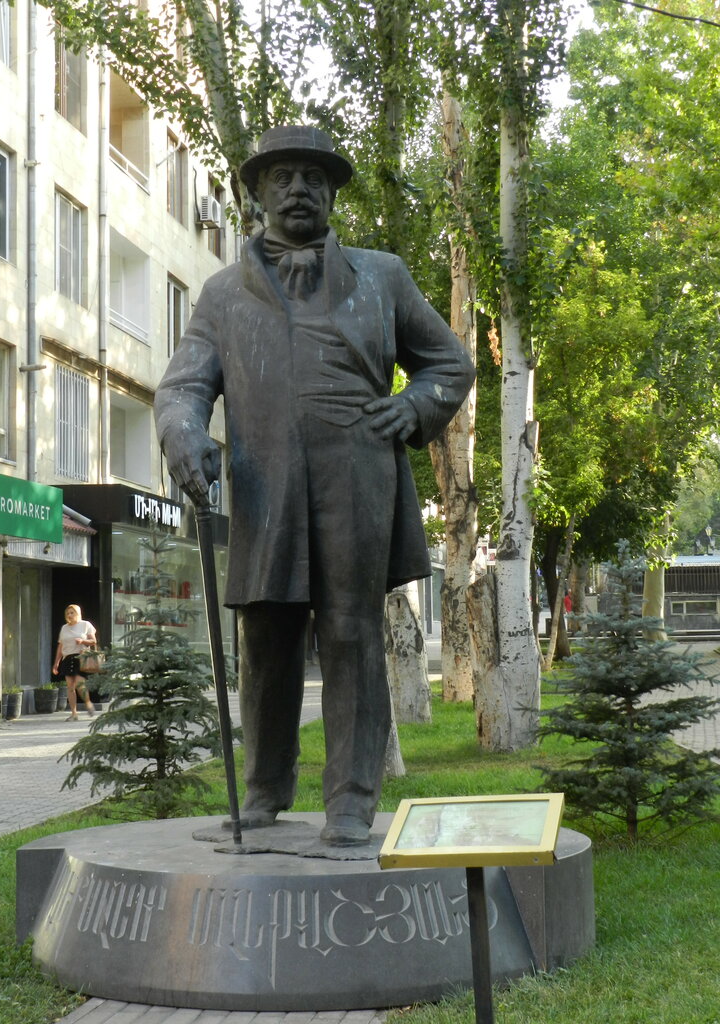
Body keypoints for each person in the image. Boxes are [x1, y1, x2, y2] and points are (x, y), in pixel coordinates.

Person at [154, 125, 475, 846]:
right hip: (263, 486)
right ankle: (265, 791)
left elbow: (449, 364)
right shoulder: (219, 294)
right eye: (281, 177)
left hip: (357, 481)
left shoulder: (382, 275)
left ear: (332, 194)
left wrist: (414, 406)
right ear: (257, 193)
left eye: (313, 177)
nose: (298, 189)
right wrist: (185, 435)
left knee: (352, 634)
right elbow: (183, 386)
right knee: (265, 637)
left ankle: (352, 799)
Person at [52, 604, 97, 721]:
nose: (69, 615)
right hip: (67, 658)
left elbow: (93, 641)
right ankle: (74, 713)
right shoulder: (64, 628)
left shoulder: (85, 625)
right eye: (67, 613)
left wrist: (83, 640)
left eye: (72, 612)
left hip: (81, 658)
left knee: (79, 684)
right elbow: (60, 646)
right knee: (70, 687)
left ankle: (88, 703)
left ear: (77, 613)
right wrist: (56, 663)